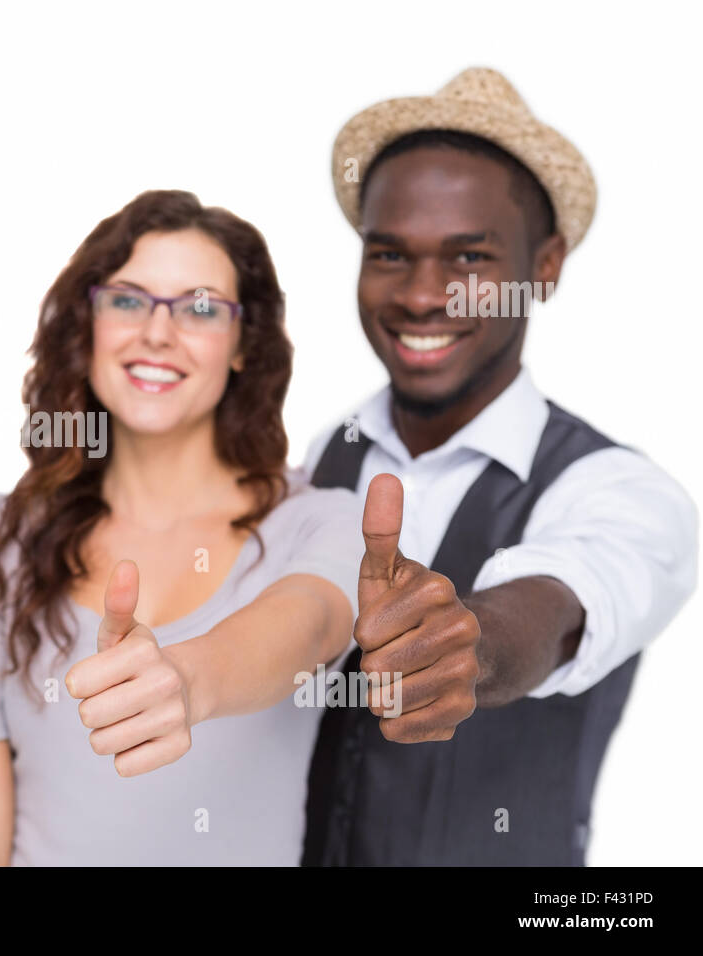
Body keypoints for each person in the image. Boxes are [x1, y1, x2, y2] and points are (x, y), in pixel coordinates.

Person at [299, 67, 698, 865]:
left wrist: (468, 647)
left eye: (470, 259)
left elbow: (560, 601)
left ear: (544, 267)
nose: (421, 296)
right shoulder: (323, 453)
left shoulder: (624, 492)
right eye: (389, 253)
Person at [0, 190, 363, 865]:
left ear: (245, 344)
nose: (157, 333)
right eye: (128, 300)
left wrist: (189, 679)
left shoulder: (324, 522)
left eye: (199, 308)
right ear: (88, 326)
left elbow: (309, 622)